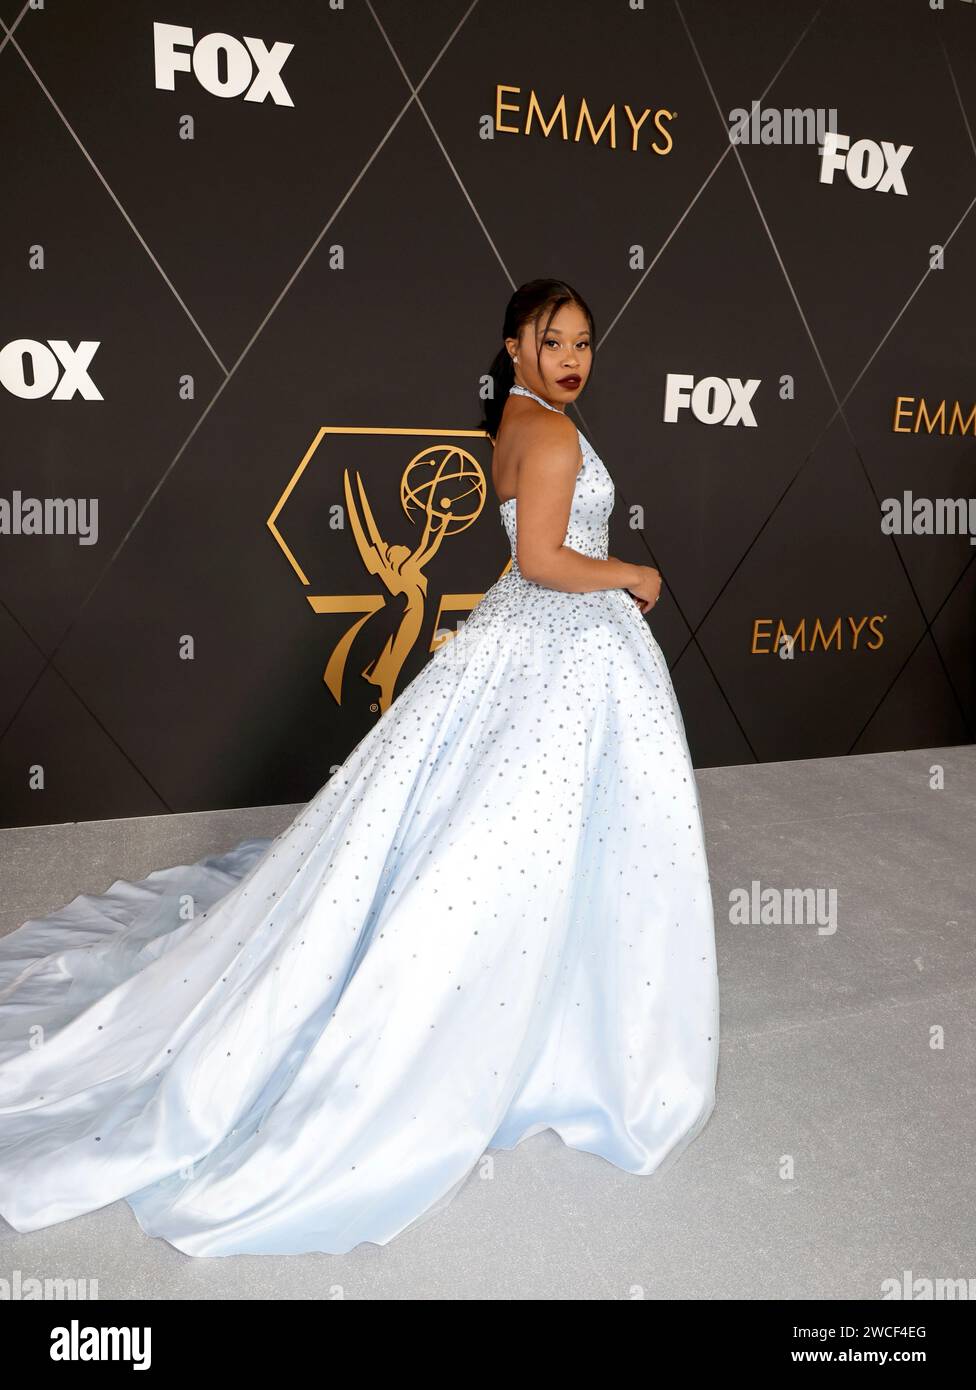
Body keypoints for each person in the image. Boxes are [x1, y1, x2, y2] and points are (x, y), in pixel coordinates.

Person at [0, 278, 720, 1257]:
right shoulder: (548, 433)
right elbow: (547, 560)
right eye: (553, 340)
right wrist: (633, 573)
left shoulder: (516, 422)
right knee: (531, 838)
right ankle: (547, 1027)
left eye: (585, 341)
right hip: (555, 642)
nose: (573, 357)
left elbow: (528, 554)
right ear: (514, 345)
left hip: (522, 642)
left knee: (485, 828)